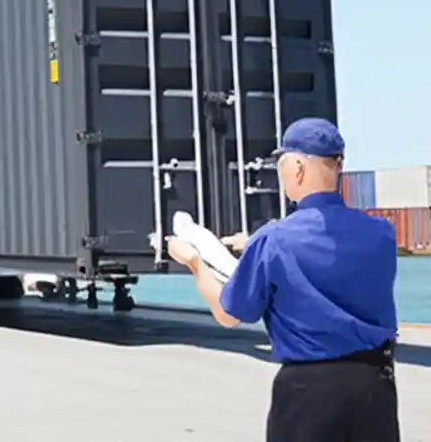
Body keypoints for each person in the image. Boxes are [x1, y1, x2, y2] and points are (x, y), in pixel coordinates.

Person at [166, 117, 400, 441]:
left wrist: (195, 263)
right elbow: (330, 255)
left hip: (308, 395)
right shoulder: (382, 235)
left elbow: (228, 314)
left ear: (298, 170)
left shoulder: (274, 240)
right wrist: (254, 245)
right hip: (375, 388)